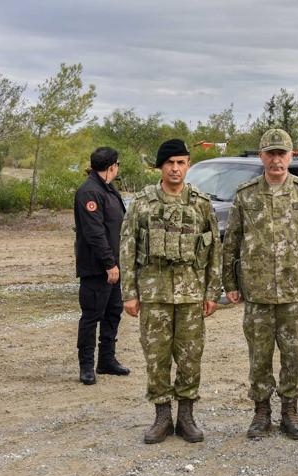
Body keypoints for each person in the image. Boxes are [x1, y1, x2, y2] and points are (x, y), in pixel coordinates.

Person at [222, 128, 298, 440]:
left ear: (290, 156)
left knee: (293, 355)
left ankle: (290, 411)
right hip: (258, 293)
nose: (277, 159)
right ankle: (261, 412)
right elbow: (233, 241)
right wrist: (230, 281)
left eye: (282, 153)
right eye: (271, 153)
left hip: (294, 292)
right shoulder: (246, 194)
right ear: (262, 156)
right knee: (259, 356)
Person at [120, 139, 221, 444]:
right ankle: (162, 416)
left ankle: (186, 416)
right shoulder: (142, 203)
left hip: (191, 295)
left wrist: (211, 292)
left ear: (188, 165)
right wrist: (129, 293)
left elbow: (214, 249)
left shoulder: (201, 203)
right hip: (154, 295)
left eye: (181, 162)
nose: (175, 169)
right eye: (169, 163)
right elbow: (127, 247)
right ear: (160, 167)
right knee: (157, 357)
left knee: (191, 357)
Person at [73, 147, 130, 385]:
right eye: (117, 165)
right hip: (97, 268)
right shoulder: (89, 192)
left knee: (113, 312)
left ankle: (107, 359)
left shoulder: (107, 188)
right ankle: (86, 365)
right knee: (91, 316)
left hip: (114, 265)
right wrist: (109, 263)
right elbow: (95, 233)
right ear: (112, 167)